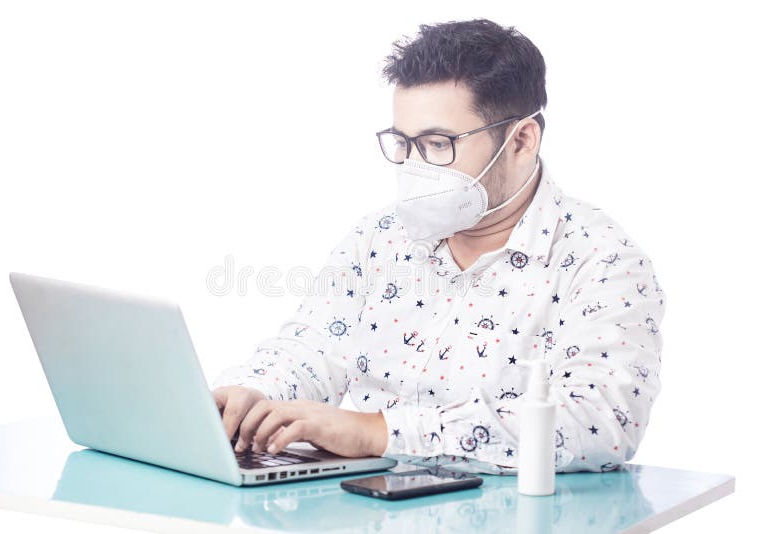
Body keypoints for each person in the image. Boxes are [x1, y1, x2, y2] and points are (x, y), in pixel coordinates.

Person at [210, 18, 665, 474]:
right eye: (403, 143)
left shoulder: (601, 261)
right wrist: (253, 393)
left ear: (522, 140)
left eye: (436, 143)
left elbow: (601, 422)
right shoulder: (380, 237)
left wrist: (377, 432)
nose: (414, 166)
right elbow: (312, 347)